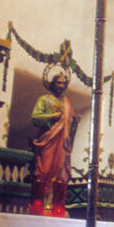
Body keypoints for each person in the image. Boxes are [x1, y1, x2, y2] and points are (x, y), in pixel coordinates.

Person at [30, 65, 78, 215]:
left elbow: (69, 125)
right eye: (59, 82)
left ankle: (57, 205)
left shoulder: (67, 103)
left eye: (64, 83)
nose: (62, 86)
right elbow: (35, 118)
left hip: (62, 142)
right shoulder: (44, 99)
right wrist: (51, 117)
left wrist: (75, 122)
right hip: (48, 140)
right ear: (52, 84)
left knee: (60, 171)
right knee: (43, 169)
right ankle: (38, 204)